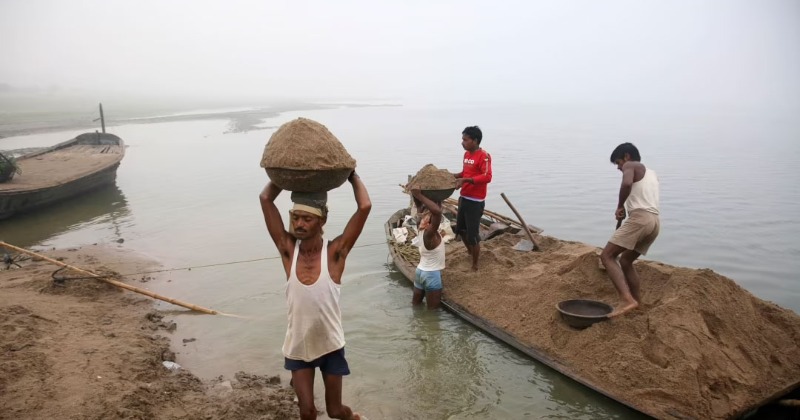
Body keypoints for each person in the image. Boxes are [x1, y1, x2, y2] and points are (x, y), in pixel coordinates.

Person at [259, 171, 370, 420]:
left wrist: (353, 176)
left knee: (334, 411)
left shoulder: (335, 253)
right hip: (298, 345)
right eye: (295, 218)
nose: (299, 224)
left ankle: (353, 418)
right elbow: (266, 198)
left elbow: (364, 206)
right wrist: (285, 174)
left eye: (306, 219)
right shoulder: (288, 250)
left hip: (330, 344)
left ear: (321, 221)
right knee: (307, 412)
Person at [600, 143, 660, 317]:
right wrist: (627, 208)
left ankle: (626, 299)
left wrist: (619, 205)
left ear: (626, 156)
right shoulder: (652, 174)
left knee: (607, 256)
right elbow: (642, 197)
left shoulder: (630, 165)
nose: (619, 168)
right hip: (654, 222)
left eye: (618, 163)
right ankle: (638, 303)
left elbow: (626, 184)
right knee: (625, 261)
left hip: (640, 219)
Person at [454, 125, 492, 271]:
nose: (462, 142)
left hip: (475, 201)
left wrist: (466, 180)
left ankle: (475, 265)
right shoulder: (467, 155)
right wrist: (455, 176)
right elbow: (465, 172)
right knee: (460, 230)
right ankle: (470, 252)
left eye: (465, 140)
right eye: (462, 139)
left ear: (475, 141)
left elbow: (487, 176)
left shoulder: (484, 156)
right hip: (464, 197)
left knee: (473, 235)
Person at [410, 189, 445, 309]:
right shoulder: (430, 233)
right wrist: (419, 194)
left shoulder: (420, 226)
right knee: (433, 314)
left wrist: (415, 194)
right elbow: (438, 212)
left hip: (420, 272)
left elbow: (420, 206)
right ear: (432, 221)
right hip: (431, 275)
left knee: (415, 305)